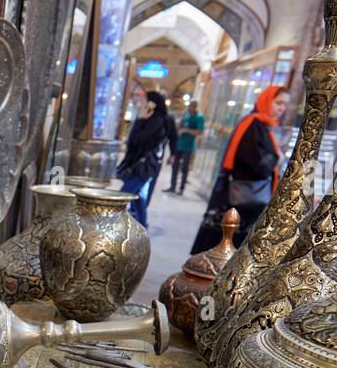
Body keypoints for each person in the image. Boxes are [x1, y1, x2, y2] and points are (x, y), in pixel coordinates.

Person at [190, 85, 288, 253]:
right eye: (278, 102)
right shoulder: (253, 124)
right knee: (226, 244)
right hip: (240, 198)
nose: (282, 108)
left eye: (285, 104)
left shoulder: (263, 125)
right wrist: (276, 157)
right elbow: (256, 162)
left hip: (246, 197)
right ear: (266, 100)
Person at [116, 90, 177, 228]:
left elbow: (135, 140)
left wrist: (140, 120)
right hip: (145, 165)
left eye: (145, 100)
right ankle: (142, 226)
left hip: (143, 166)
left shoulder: (156, 120)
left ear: (152, 103)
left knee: (121, 196)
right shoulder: (155, 118)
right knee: (139, 200)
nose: (142, 103)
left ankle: (111, 224)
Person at [165, 100, 204, 194]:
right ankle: (172, 186)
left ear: (195, 107)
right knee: (175, 166)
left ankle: (181, 188)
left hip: (188, 146)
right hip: (179, 145)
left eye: (191, 107)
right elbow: (179, 126)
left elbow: (200, 131)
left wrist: (187, 130)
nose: (190, 109)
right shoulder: (186, 115)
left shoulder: (199, 118)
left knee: (184, 168)